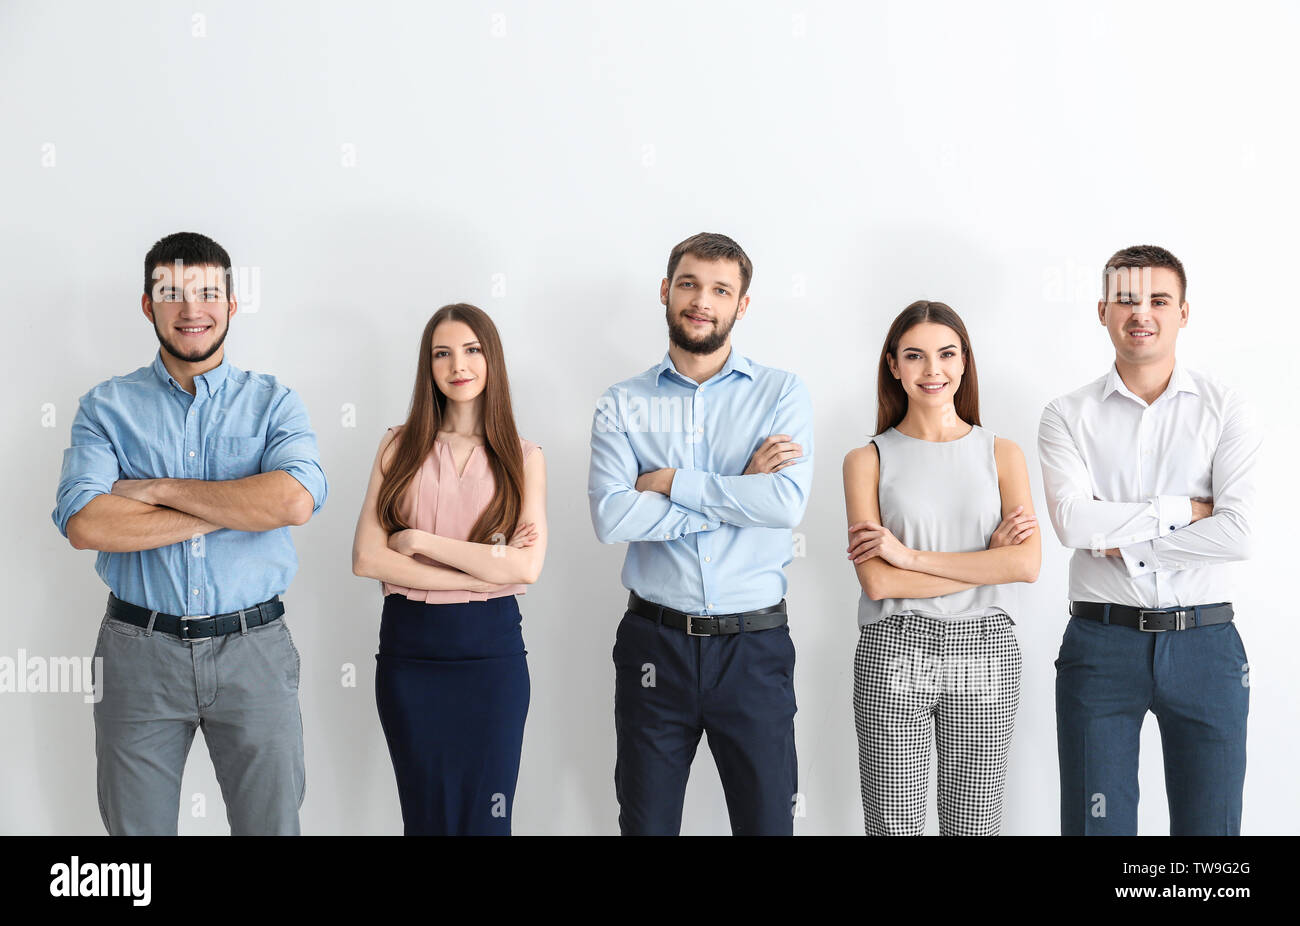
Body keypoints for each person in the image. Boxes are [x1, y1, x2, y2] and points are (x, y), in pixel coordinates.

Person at [52, 231, 328, 835]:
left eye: (206, 292)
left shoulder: (274, 403)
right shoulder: (105, 408)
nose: (190, 308)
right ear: (148, 305)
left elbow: (293, 500)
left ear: (232, 304)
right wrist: (237, 504)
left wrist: (155, 488)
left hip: (254, 648)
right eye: (171, 292)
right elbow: (86, 522)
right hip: (137, 651)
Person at [587, 232, 814, 836]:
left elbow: (785, 502)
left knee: (767, 825)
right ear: (666, 291)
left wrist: (670, 483)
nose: (701, 301)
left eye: (720, 289)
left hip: (754, 649)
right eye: (689, 284)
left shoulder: (781, 393)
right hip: (654, 647)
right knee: (647, 826)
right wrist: (738, 486)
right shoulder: (621, 402)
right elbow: (612, 517)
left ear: (743, 305)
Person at [1039, 245, 1260, 836]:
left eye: (1158, 300)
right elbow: (1072, 524)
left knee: (1209, 835)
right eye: (1126, 300)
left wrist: (1131, 544)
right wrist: (1185, 510)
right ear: (1103, 311)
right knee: (1096, 828)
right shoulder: (1066, 415)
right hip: (1101, 645)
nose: (1142, 313)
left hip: (1207, 646)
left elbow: (1237, 531)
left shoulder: (1226, 408)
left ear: (1183, 312)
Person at [843, 301, 1039, 835]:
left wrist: (908, 556)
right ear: (893, 366)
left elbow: (1024, 564)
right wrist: (984, 563)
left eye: (946, 354)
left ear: (964, 361)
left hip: (986, 650)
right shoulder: (867, 460)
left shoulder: (1003, 453)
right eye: (915, 356)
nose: (933, 370)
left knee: (975, 827)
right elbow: (877, 581)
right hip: (894, 647)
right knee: (893, 826)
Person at [352, 303, 546, 836]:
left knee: (488, 824)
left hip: (491, 658)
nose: (457, 364)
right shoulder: (398, 445)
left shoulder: (524, 457)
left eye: (471, 350)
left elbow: (525, 567)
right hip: (411, 655)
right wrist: (481, 574)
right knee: (426, 821)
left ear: (492, 360)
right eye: (442, 353)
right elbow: (367, 558)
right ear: (428, 366)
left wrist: (416, 542)